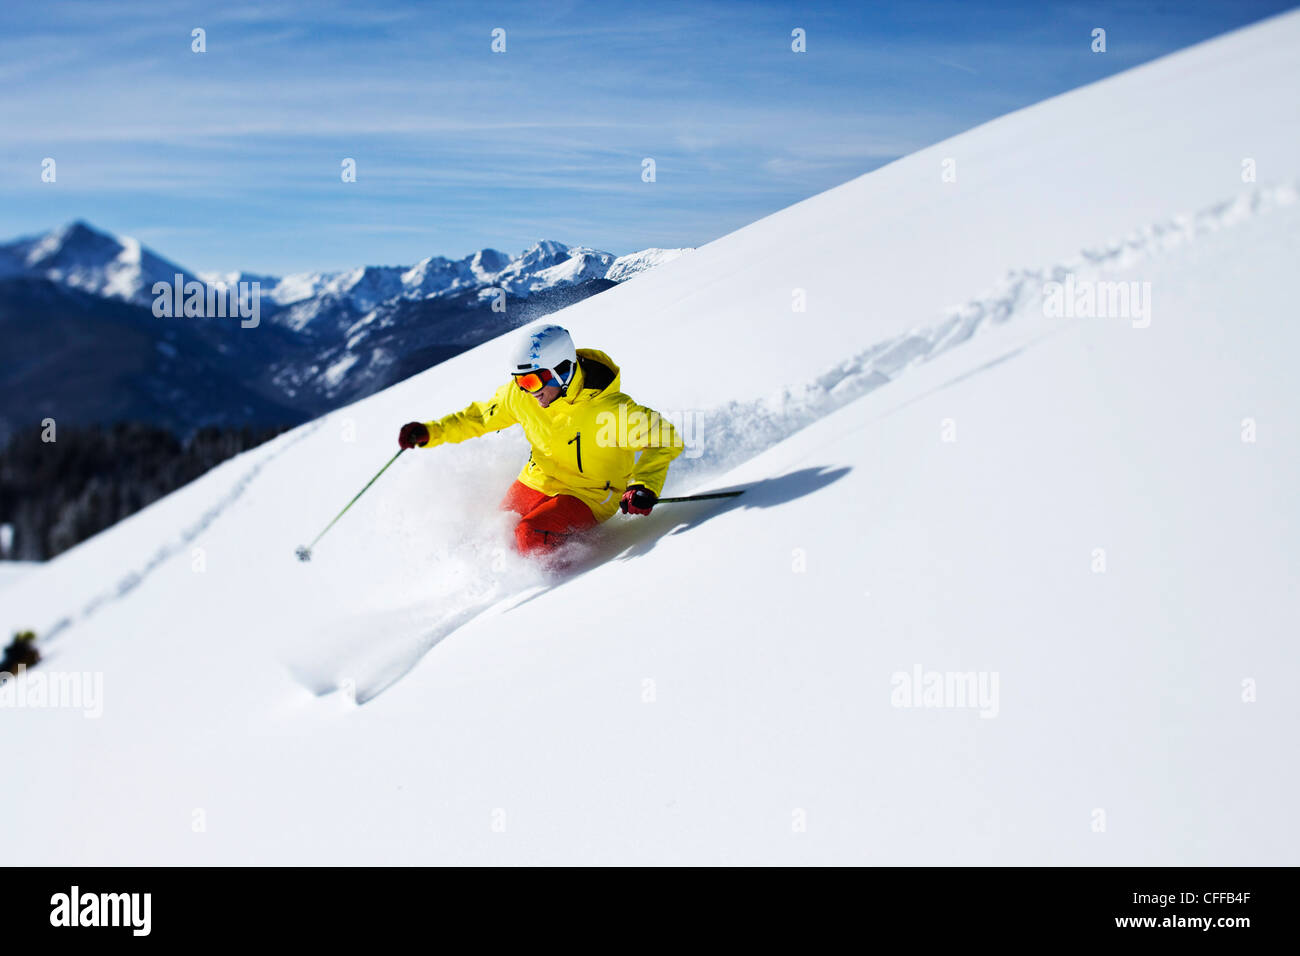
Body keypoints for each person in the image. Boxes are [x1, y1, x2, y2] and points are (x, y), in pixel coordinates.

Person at [398, 324, 684, 558]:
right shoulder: (521, 396)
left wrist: (644, 485)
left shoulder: (610, 410)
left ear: (563, 369)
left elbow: (665, 439)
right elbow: (480, 418)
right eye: (521, 382)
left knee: (529, 536)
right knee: (497, 531)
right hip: (538, 478)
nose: (528, 391)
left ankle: (558, 590)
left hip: (591, 494)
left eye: (533, 381)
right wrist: (431, 431)